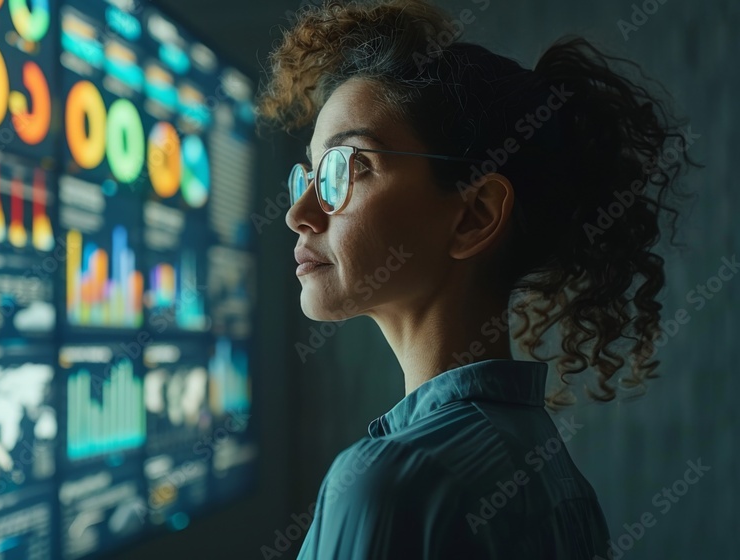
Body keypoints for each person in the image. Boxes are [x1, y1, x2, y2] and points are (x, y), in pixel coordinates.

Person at [255, 0, 697, 558]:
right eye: (310, 175)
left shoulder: (387, 483)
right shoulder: (560, 479)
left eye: (348, 166)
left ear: (475, 216)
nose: (300, 212)